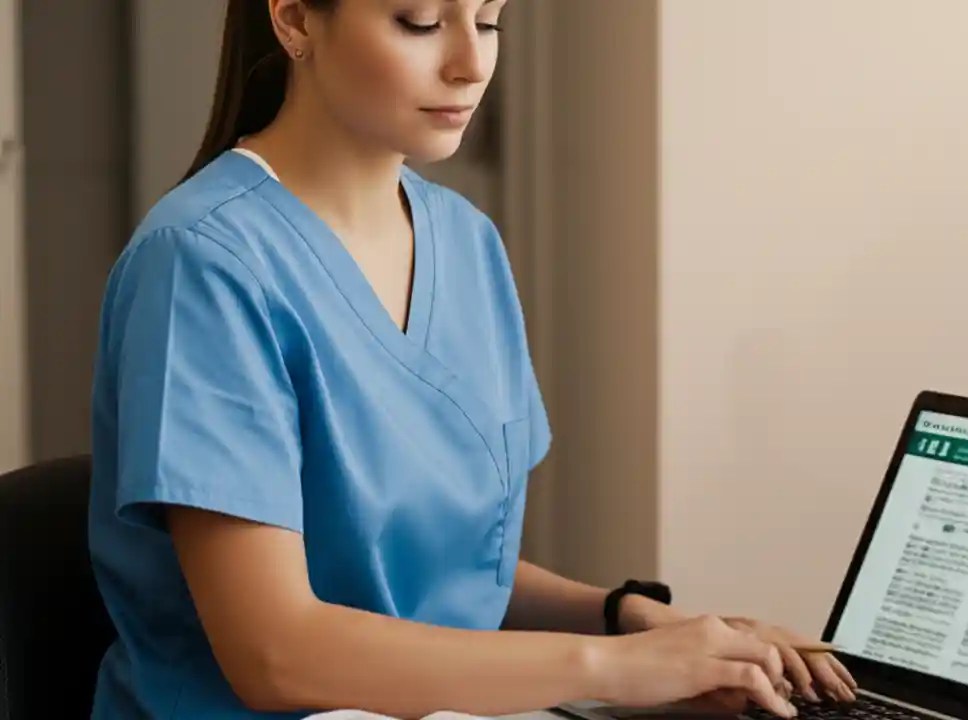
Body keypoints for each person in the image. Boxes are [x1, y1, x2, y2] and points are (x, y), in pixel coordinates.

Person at [87, 1, 859, 718]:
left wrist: (636, 623)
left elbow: (443, 578)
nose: (471, 63)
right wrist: (613, 670)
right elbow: (275, 655)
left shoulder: (466, 240)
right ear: (294, 20)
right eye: (421, 22)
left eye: (488, 19)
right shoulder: (202, 265)